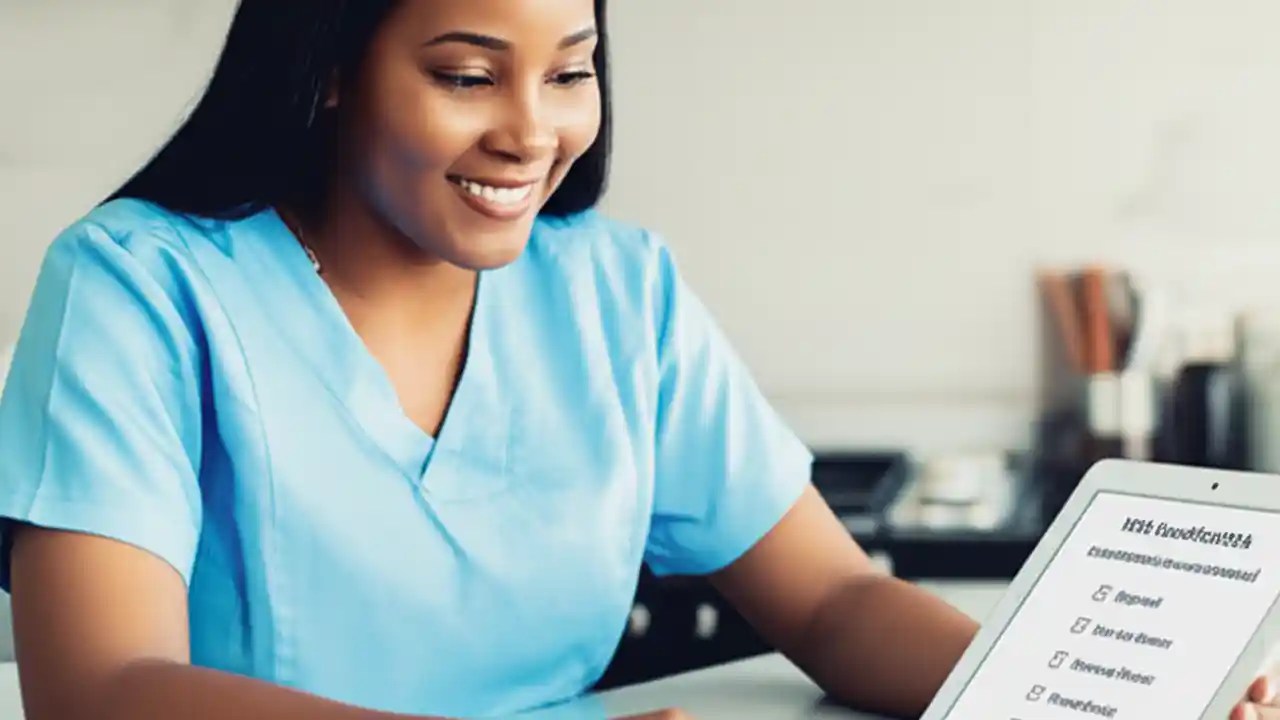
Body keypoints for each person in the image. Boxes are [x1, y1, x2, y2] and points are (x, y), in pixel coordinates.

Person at [0, 2, 1272, 719]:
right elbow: (101, 691)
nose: (530, 132)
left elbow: (829, 600)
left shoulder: (613, 288)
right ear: (327, 71)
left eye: (569, 72)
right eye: (464, 75)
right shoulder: (139, 286)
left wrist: (1071, 701)